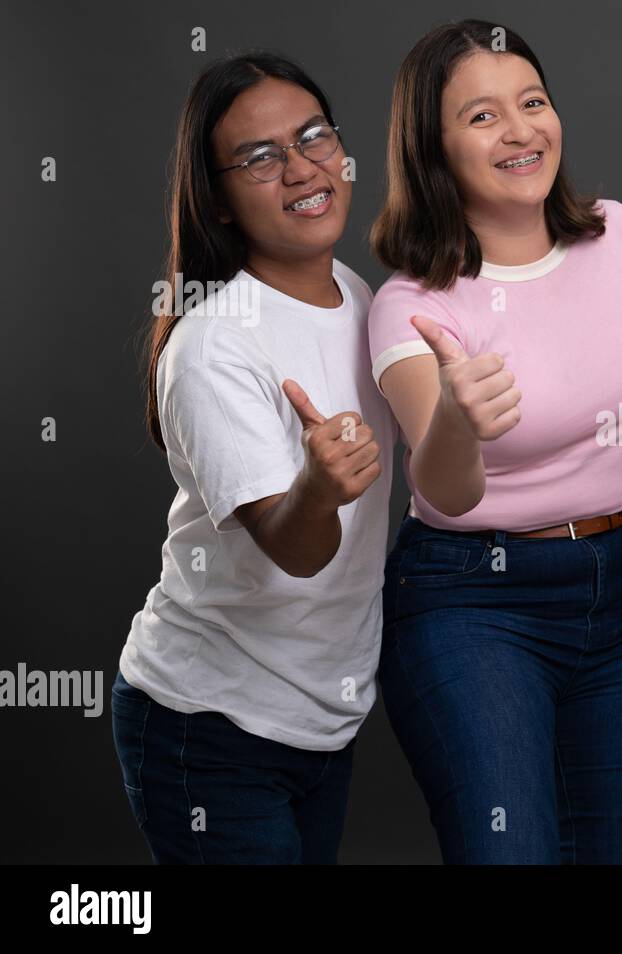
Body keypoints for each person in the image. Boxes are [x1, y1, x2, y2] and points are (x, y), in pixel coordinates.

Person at [366, 20, 622, 864]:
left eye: (533, 102)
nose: (520, 131)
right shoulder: (411, 305)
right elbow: (446, 491)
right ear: (431, 149)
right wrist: (455, 420)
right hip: (476, 602)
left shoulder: (621, 234)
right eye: (482, 116)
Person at [111, 52, 394, 863]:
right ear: (221, 200)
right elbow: (296, 549)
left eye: (313, 137)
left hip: (319, 720)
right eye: (261, 158)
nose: (302, 168)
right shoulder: (213, 345)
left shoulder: (360, 296)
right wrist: (317, 487)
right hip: (210, 724)